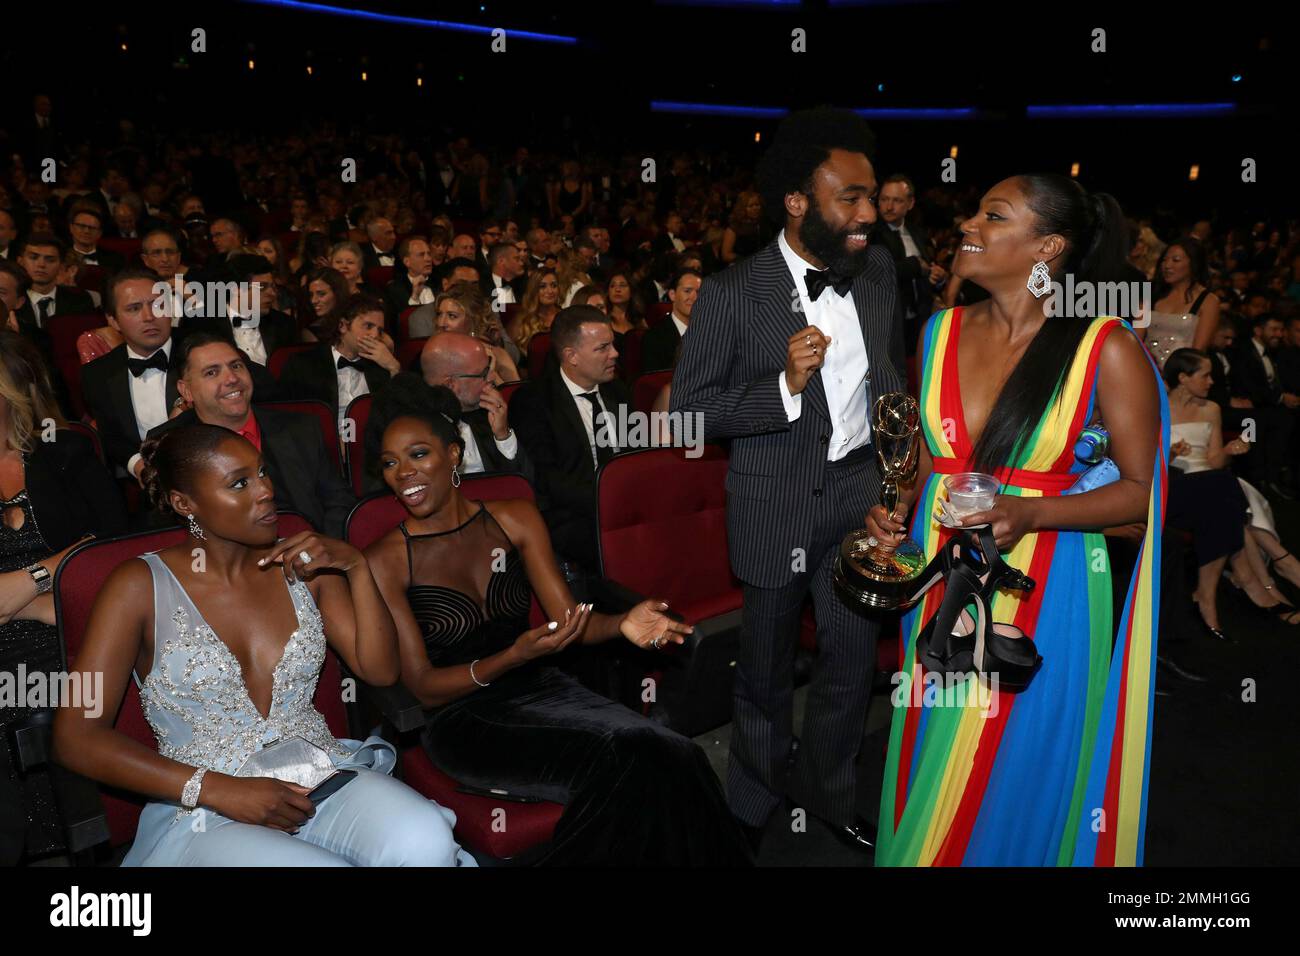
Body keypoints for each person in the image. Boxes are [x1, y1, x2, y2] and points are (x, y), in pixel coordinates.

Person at [865, 173, 1167, 866]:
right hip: (937, 579)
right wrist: (895, 503)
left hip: (1045, 583)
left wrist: (1032, 512)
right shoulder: (938, 331)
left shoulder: (1104, 348)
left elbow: (1136, 493)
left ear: (1047, 247)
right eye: (976, 209)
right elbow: (923, 451)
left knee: (1007, 766)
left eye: (992, 215)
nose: (968, 223)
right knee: (934, 752)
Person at [363, 379, 750, 865]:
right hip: (463, 718)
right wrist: (512, 656)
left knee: (678, 753)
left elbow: (573, 625)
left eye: (418, 454)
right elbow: (422, 687)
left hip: (543, 686)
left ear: (455, 454)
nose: (403, 473)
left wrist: (621, 624)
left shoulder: (516, 517)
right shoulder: (385, 558)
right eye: (390, 463)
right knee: (632, 761)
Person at [52, 423, 475, 866]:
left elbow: (381, 672)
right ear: (185, 503)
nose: (266, 491)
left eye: (263, 472)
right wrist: (218, 789)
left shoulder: (304, 567)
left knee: (424, 839)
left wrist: (355, 567)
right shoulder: (137, 586)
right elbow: (75, 736)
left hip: (320, 776)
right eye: (240, 483)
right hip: (207, 807)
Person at [670, 108, 906, 852]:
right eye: (852, 198)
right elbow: (690, 415)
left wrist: (892, 487)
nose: (869, 213)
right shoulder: (733, 292)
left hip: (856, 502)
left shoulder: (878, 273)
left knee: (849, 665)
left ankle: (830, 795)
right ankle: (750, 803)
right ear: (798, 202)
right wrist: (783, 385)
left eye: (872, 196)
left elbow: (890, 385)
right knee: (765, 674)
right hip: (775, 508)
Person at [0, 332, 126, 863]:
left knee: (64, 691)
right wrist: (55, 567)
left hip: (70, 620)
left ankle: (89, 842)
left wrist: (26, 587)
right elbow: (81, 552)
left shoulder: (65, 450)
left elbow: (114, 549)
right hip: (39, 623)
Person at [148, 334, 355, 538]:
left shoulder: (301, 429)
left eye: (236, 366)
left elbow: (339, 502)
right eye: (212, 372)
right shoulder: (167, 445)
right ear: (187, 391)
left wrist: (324, 549)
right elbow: (166, 532)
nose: (231, 379)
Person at [1164, 348, 1300, 631]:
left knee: (1225, 490)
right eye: (1205, 375)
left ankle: (1254, 586)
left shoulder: (1211, 408)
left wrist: (1228, 451)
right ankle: (1272, 575)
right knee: (1228, 494)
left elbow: (1214, 461)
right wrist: (1170, 456)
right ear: (1183, 377)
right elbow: (1142, 464)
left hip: (1212, 479)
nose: (1212, 382)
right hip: (1175, 482)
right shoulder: (1157, 407)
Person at [511, 306, 632, 575]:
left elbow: (632, 455)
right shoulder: (534, 401)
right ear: (571, 356)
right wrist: (609, 500)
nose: (615, 353)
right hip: (574, 517)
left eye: (613, 344)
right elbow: (547, 478)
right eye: (603, 348)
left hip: (626, 508)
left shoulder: (618, 391)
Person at [278, 294, 399, 434]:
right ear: (342, 326)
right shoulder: (303, 365)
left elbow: (403, 412)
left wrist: (393, 366)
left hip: (369, 445)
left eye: (380, 330)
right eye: (368, 326)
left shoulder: (381, 366)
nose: (374, 335)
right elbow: (290, 418)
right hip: (321, 445)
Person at [417, 335, 531, 479]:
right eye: (483, 373)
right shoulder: (418, 431)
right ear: (450, 385)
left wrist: (503, 436)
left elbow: (525, 484)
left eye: (490, 368)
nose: (492, 377)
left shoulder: (491, 413)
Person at [1140, 237, 1222, 368]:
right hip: (1146, 371)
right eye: (1164, 260)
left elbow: (1197, 353)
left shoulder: (1208, 301)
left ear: (1193, 263)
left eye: (1175, 260)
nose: (1167, 266)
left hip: (1183, 375)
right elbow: (1136, 339)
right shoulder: (1151, 295)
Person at [411, 283, 519, 382]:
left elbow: (513, 396)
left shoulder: (496, 354)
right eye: (439, 314)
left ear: (473, 320)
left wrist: (491, 374)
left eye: (452, 316)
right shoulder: (427, 356)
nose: (441, 323)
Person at [641, 268, 700, 372]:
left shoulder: (714, 332)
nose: (695, 297)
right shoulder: (654, 337)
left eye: (700, 292)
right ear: (672, 295)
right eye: (687, 291)